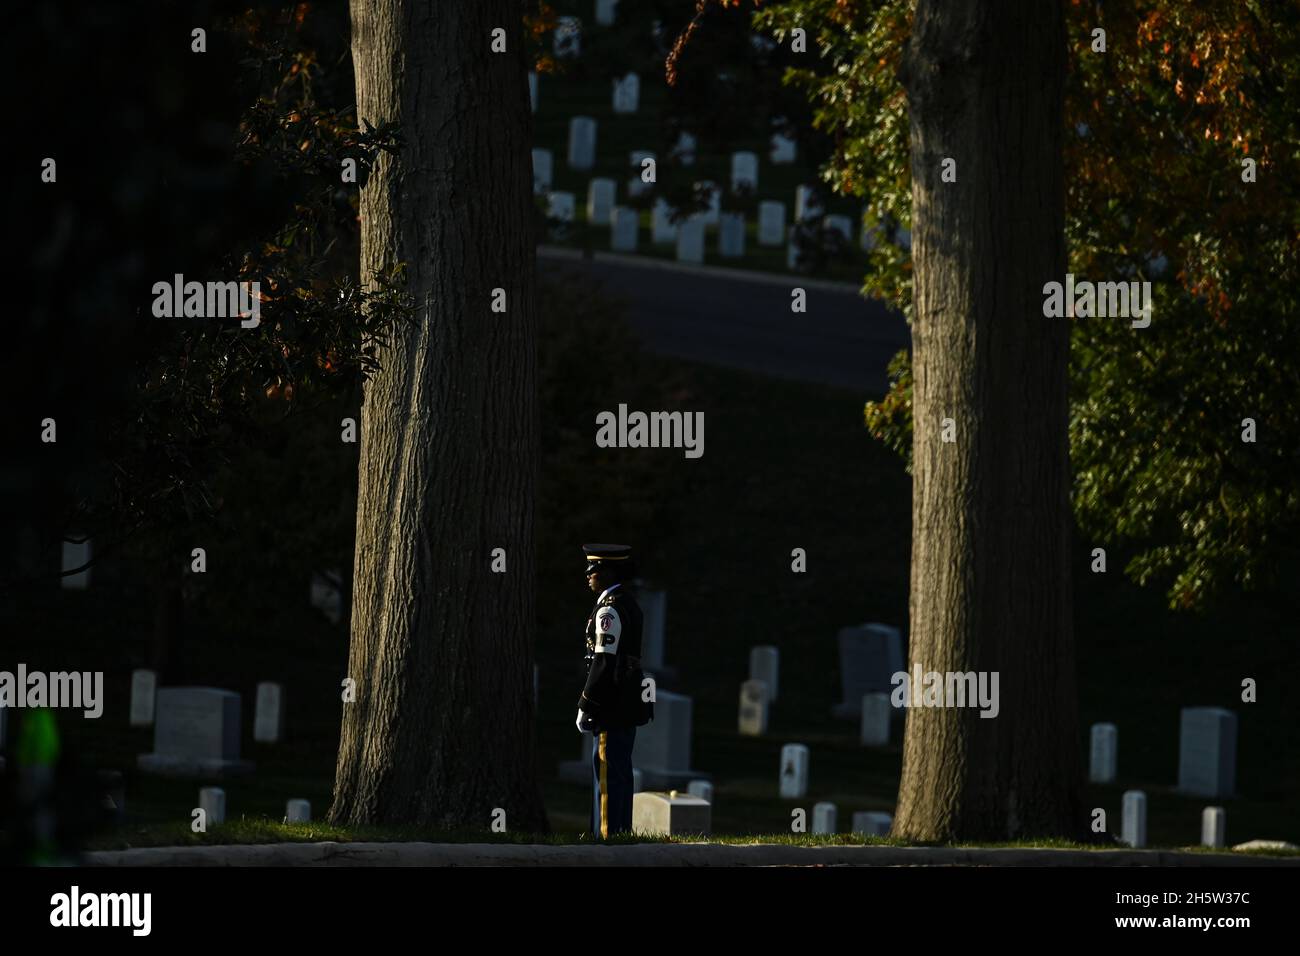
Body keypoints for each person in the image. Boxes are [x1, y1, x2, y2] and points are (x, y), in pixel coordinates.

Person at [576, 543, 652, 838]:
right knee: (620, 770)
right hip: (627, 700)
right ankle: (619, 831)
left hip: (611, 702)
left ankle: (606, 835)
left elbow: (604, 661)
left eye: (593, 570)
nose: (588, 575)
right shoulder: (628, 602)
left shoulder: (610, 609)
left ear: (607, 572)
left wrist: (587, 701)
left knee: (607, 771)